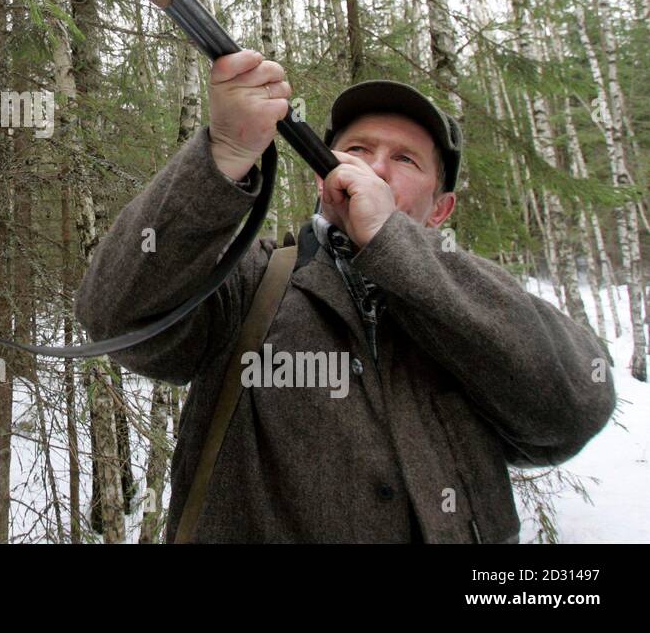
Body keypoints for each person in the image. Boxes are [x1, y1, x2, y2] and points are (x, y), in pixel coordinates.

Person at [74, 49, 616, 543]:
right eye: (357, 150)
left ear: (441, 209)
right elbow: (116, 317)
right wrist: (227, 152)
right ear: (322, 175)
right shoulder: (252, 281)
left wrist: (393, 243)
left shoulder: (472, 303)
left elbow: (574, 408)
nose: (374, 168)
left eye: (405, 160)